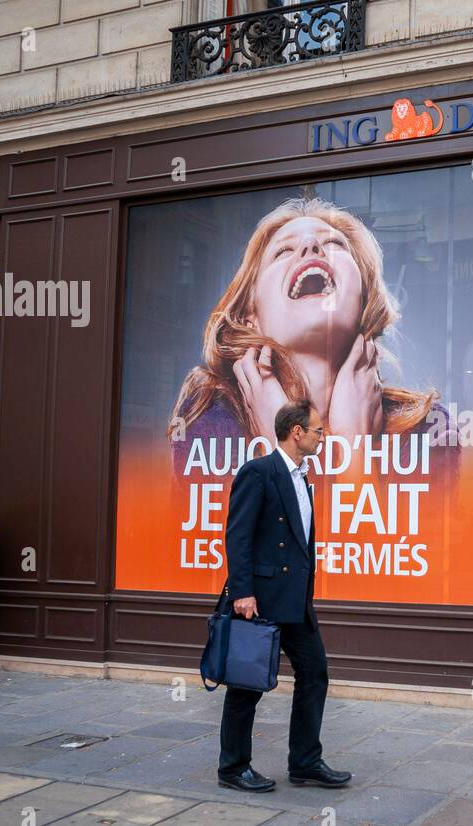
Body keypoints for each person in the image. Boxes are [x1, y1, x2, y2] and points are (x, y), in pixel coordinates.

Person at [167, 195, 458, 480]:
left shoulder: (427, 428)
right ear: (249, 318)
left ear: (364, 299)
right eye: (283, 251)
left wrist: (352, 453)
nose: (311, 245)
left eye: (333, 243)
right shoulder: (213, 416)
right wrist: (281, 450)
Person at [217, 398, 352, 792]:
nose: (322, 437)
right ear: (297, 432)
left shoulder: (302, 478)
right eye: (318, 431)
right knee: (247, 682)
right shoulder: (259, 473)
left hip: (295, 601)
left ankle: (306, 761)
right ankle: (233, 767)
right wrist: (242, 591)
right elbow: (237, 536)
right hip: (259, 600)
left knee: (315, 672)